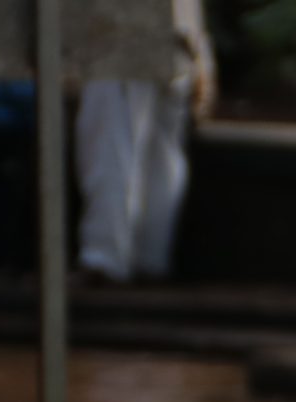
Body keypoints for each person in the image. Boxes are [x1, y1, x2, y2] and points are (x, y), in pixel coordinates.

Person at [75, 0, 215, 284]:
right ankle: (148, 258)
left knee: (112, 144)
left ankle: (105, 259)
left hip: (126, 30)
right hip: (180, 31)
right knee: (160, 152)